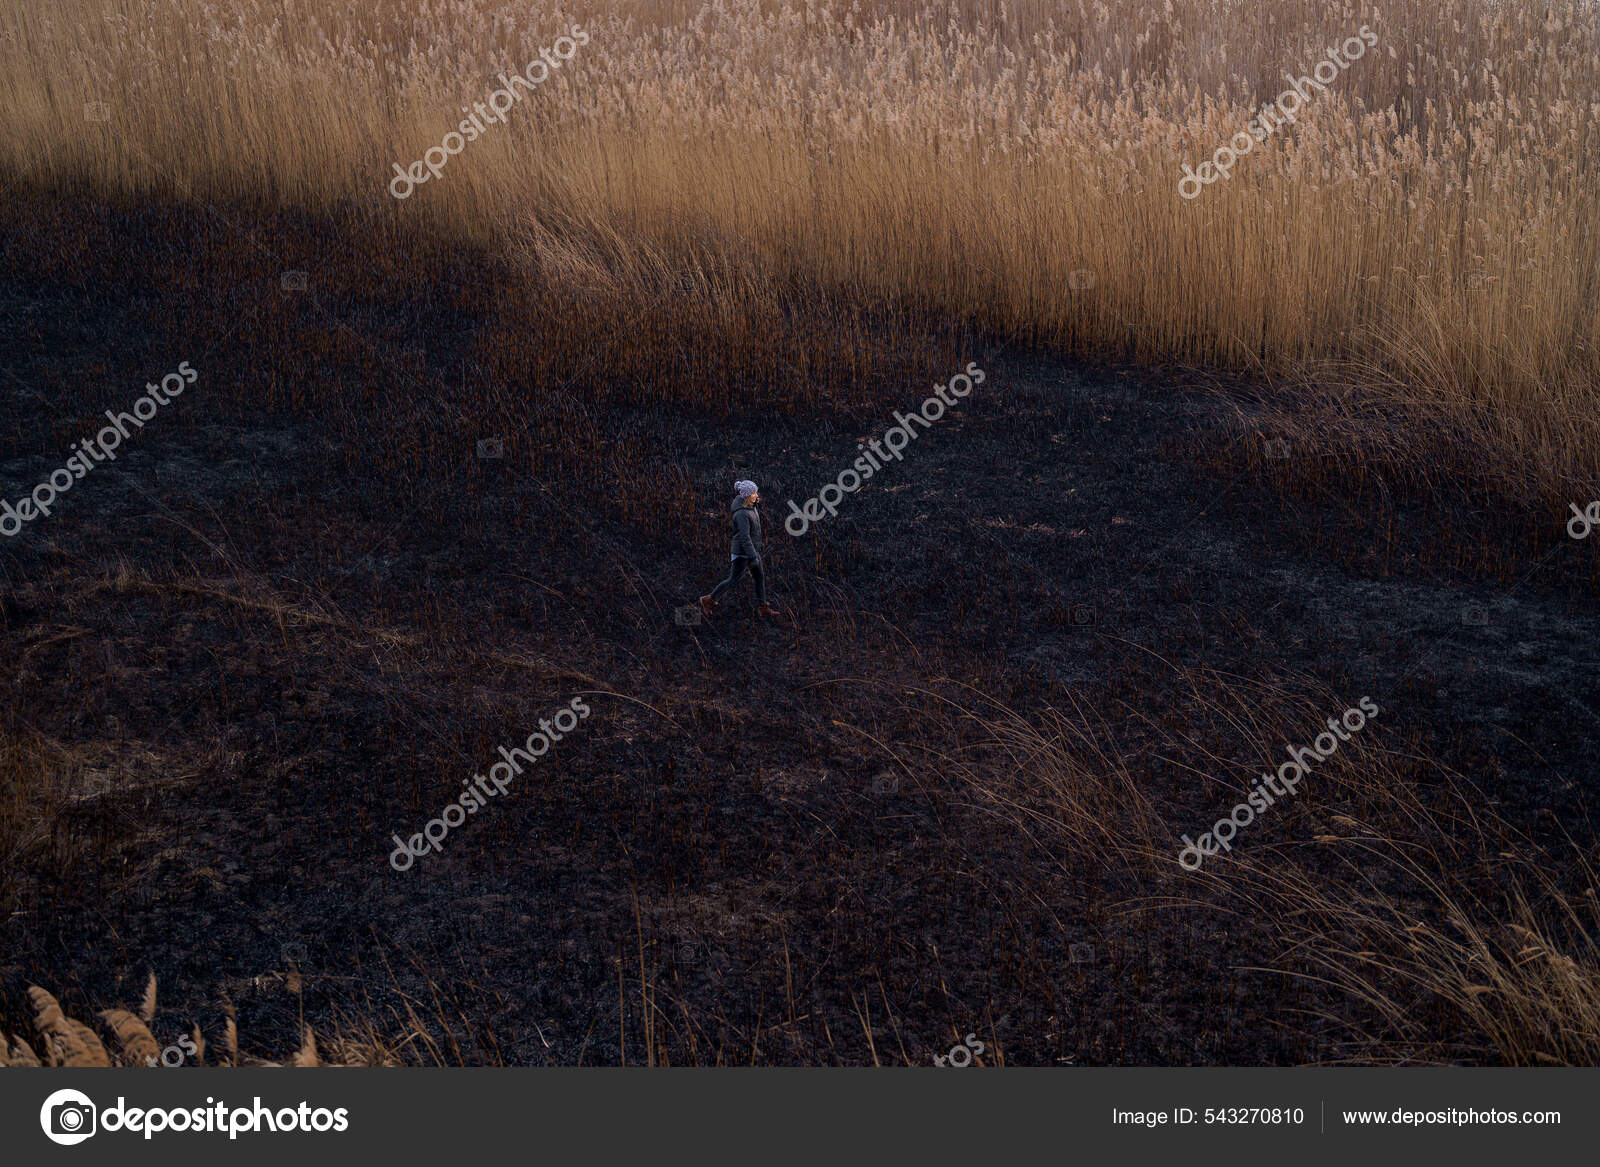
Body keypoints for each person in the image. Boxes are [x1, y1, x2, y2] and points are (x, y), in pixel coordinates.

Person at [701, 480, 779, 618]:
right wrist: (753, 556)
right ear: (747, 495)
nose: (756, 494)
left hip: (752, 551)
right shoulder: (741, 514)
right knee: (733, 580)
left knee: (759, 577)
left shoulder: (751, 506)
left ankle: (763, 607)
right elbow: (744, 537)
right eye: (754, 493)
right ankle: (709, 600)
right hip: (742, 553)